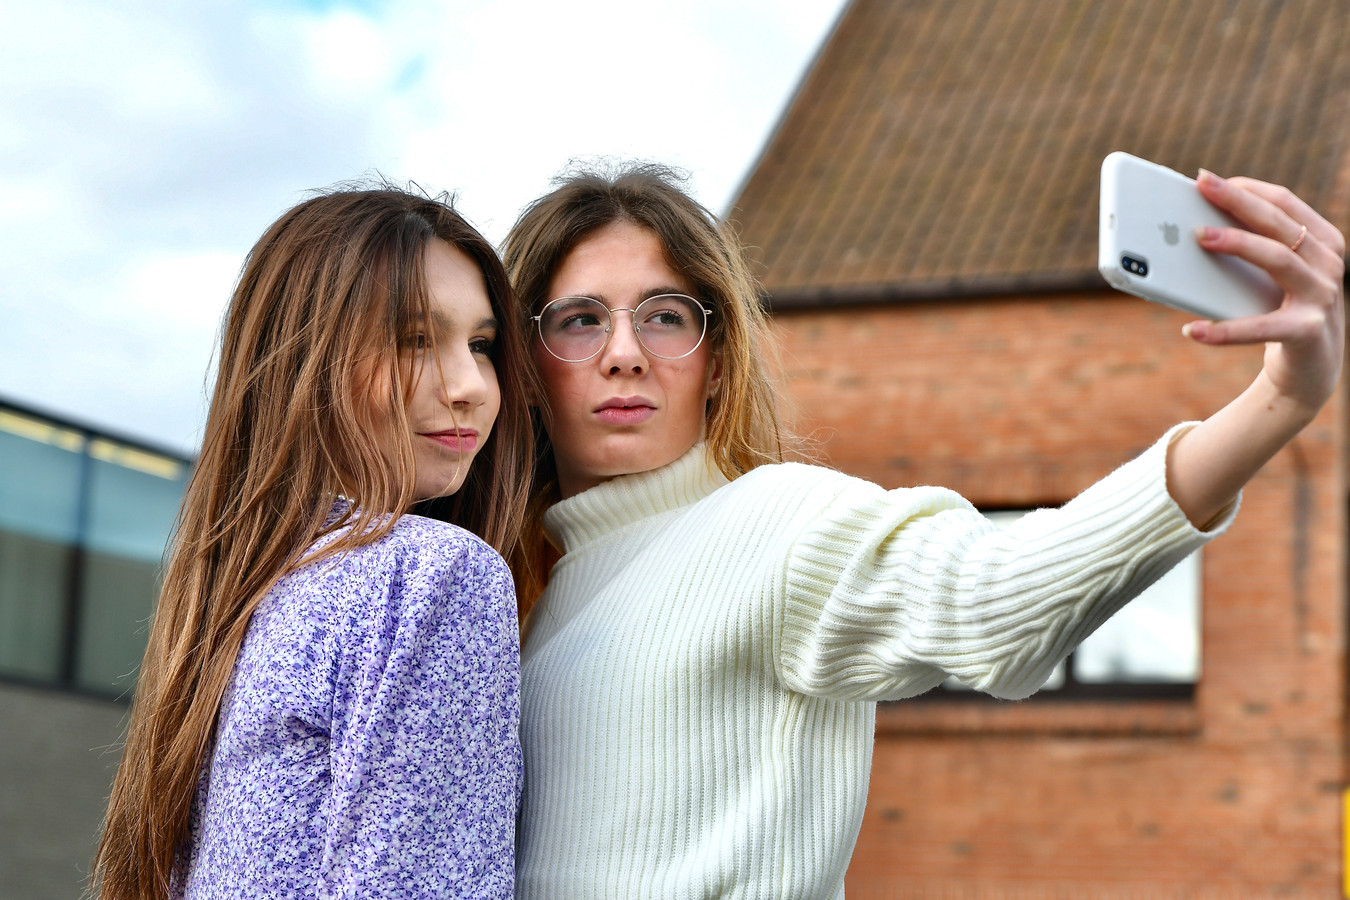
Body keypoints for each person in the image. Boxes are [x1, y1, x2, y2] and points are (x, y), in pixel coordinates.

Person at [499, 163, 1344, 898]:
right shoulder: (523, 601)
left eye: (665, 316)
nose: (624, 352)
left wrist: (1282, 401)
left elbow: (996, 599)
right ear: (524, 367)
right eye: (579, 320)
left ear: (716, 362)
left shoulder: (772, 523)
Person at [91, 185, 534, 900]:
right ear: (305, 358)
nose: (472, 385)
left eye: (482, 345)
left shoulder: (231, 601)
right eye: (415, 339)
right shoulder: (436, 575)